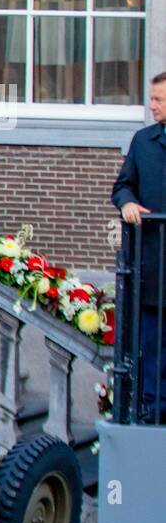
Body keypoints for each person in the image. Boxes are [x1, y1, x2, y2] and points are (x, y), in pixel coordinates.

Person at [111, 71, 166, 421]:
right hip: (153, 266)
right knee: (152, 345)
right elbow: (122, 186)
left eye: (159, 99)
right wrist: (127, 202)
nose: (152, 105)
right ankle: (154, 411)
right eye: (153, 98)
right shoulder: (143, 141)